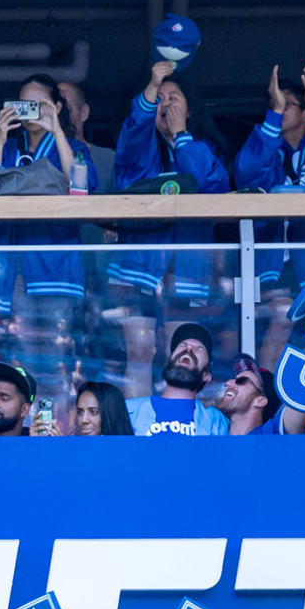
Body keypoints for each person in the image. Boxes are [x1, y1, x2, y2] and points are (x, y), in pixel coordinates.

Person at [111, 58, 230, 399]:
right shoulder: (138, 151)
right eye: (158, 98)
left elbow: (208, 186)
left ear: (191, 110)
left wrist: (181, 135)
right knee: (140, 353)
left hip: (188, 269)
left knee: (182, 355)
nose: (165, 103)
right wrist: (150, 88)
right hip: (138, 271)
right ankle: (137, 427)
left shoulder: (202, 149)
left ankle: (177, 423)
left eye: (173, 97)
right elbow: (133, 131)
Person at [0, 77, 96, 393]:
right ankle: (28, 425)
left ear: (56, 107)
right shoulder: (9, 148)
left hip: (56, 268)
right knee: (19, 354)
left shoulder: (74, 147)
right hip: (12, 271)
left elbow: (83, 188)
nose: (30, 112)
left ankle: (54, 428)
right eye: (23, 104)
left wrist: (57, 131)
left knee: (56, 356)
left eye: (38, 105)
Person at [237, 65, 305, 369]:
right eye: (276, 104)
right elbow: (246, 172)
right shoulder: (266, 146)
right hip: (274, 263)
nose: (280, 110)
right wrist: (273, 114)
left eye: (287, 105)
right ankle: (266, 397)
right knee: (278, 325)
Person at [128, 323, 228, 436]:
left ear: (206, 375)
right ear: (168, 362)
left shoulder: (216, 422)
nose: (189, 348)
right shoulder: (128, 411)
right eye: (182, 345)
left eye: (199, 349)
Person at [64, 379, 135, 436]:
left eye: (93, 412)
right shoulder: (76, 448)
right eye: (80, 412)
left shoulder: (133, 451)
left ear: (112, 415)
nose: (84, 420)